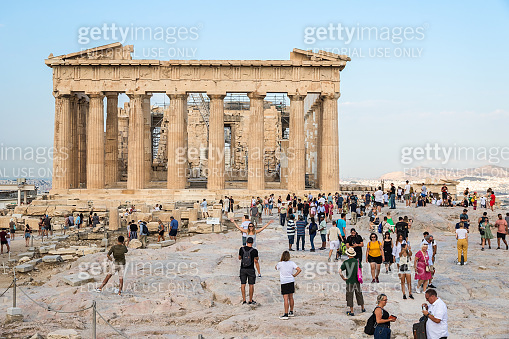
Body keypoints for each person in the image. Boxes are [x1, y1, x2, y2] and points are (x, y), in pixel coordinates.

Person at [276, 251, 302, 320]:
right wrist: (294, 275)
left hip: (284, 282)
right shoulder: (292, 263)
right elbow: (299, 270)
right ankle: (291, 311)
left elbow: (276, 267)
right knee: (291, 297)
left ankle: (286, 314)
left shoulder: (280, 264)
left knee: (285, 298)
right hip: (291, 281)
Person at [339, 247, 365, 316]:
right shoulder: (357, 261)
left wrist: (343, 277)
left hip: (349, 281)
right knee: (359, 294)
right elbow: (360, 272)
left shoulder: (346, 262)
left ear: (348, 255)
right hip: (357, 281)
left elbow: (340, 271)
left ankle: (352, 311)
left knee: (350, 295)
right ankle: (362, 308)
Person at [239, 237, 258, 305]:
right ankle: (250, 300)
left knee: (243, 284)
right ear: (252, 243)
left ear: (246, 242)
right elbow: (256, 259)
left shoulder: (242, 249)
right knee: (251, 285)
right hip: (251, 269)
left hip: (243, 268)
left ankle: (244, 300)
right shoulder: (254, 251)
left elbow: (239, 258)